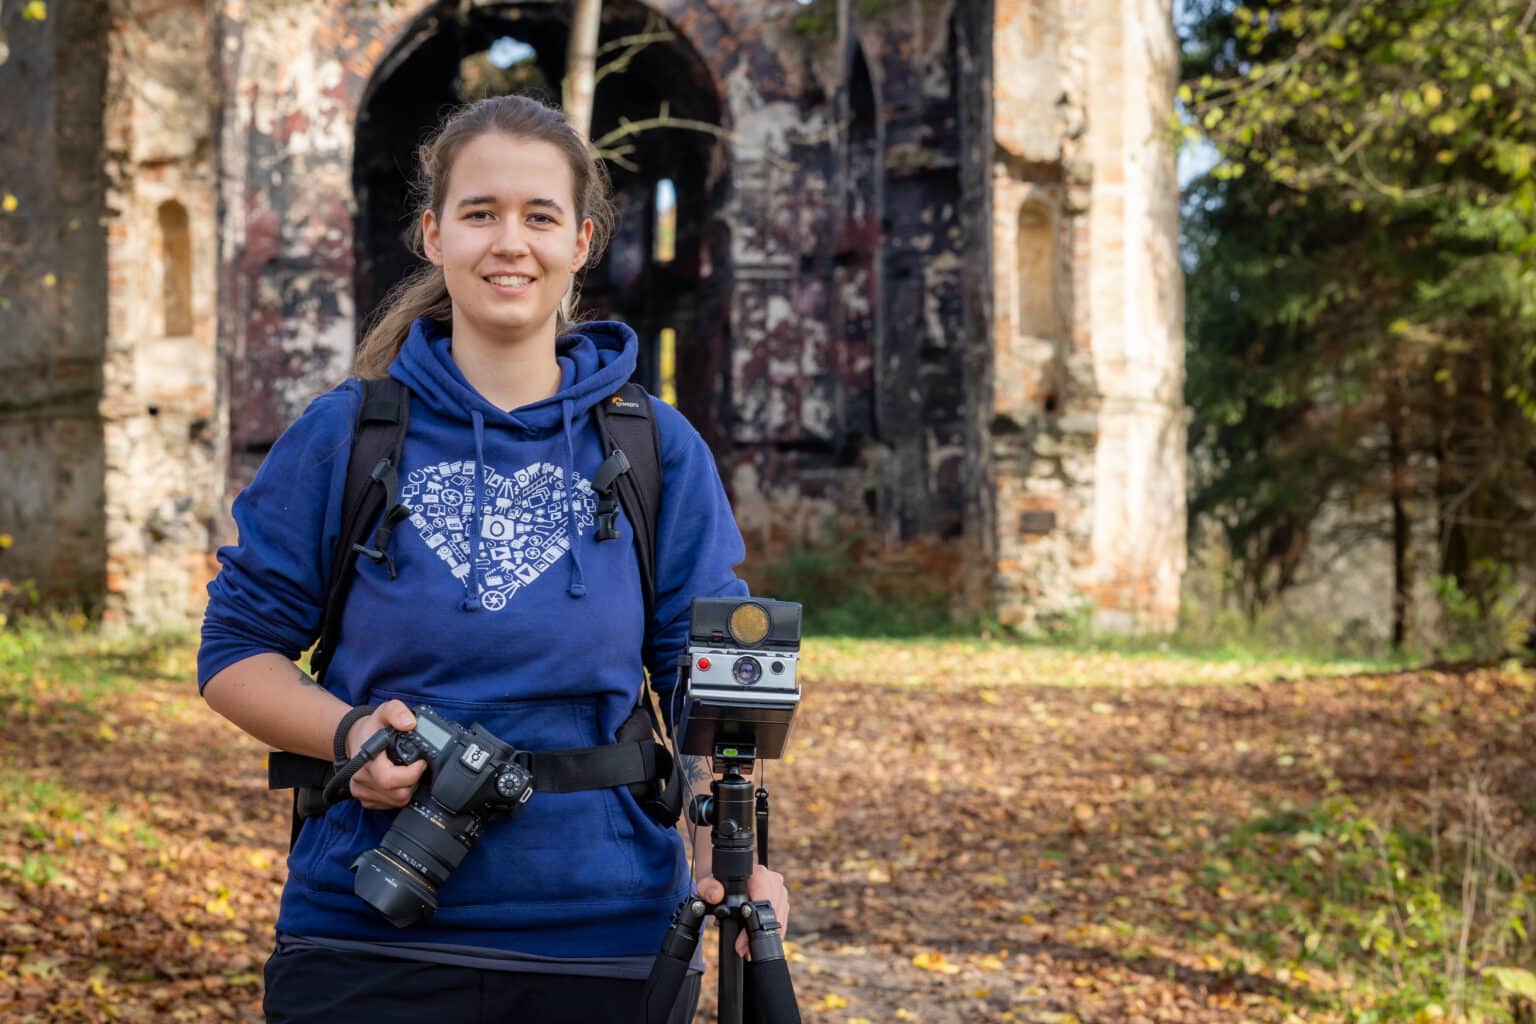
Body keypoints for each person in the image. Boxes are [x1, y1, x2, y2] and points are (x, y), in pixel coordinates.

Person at [199, 94, 788, 1024]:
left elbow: (702, 676)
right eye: (480, 213)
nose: (509, 242)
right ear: (433, 235)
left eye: (539, 216)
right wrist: (350, 737)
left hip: (607, 933)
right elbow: (234, 654)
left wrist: (742, 856)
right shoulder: (346, 436)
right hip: (366, 928)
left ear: (581, 241)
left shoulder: (654, 448)